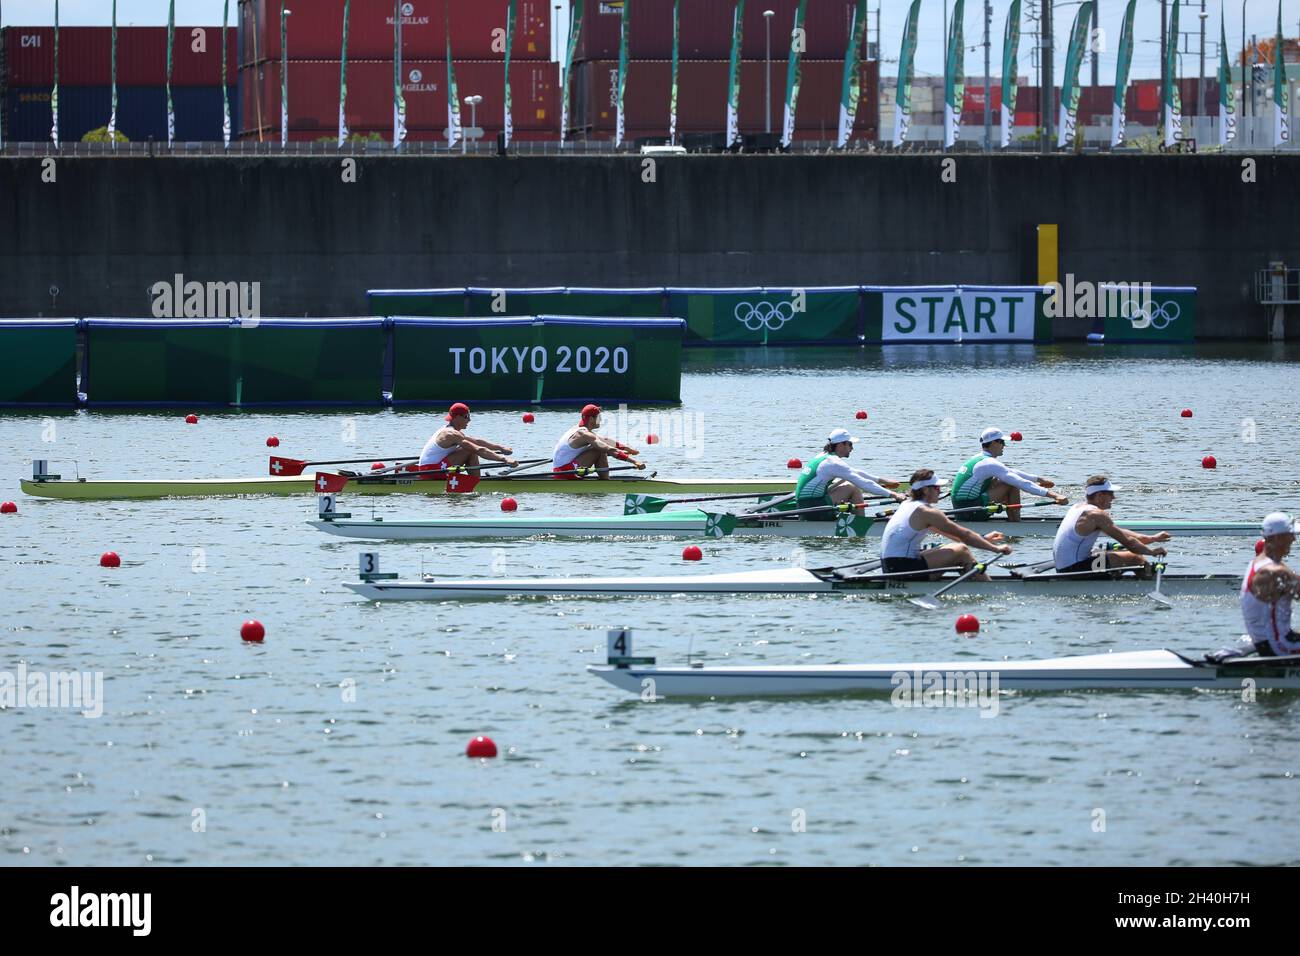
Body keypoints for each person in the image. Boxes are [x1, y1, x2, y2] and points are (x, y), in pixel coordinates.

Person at [879, 469, 1012, 580]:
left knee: (947, 547)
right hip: (902, 569)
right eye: (936, 487)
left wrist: (983, 539)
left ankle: (973, 580)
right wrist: (996, 549)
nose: (940, 491)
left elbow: (948, 533)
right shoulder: (926, 512)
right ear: (925, 490)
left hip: (890, 566)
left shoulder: (907, 504)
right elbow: (964, 535)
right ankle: (988, 589)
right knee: (962, 550)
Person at [1051, 475, 1170, 576]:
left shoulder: (1078, 507)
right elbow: (1129, 543)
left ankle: (1114, 578)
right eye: (1111, 494)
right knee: (1135, 558)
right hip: (1073, 571)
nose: (1114, 497)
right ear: (1099, 496)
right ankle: (1148, 583)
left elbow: (1121, 533)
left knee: (1114, 549)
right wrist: (1152, 552)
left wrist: (1151, 539)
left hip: (1066, 566)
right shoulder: (1096, 515)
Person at [950, 427, 1067, 521]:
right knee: (1011, 484)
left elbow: (1011, 472)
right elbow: (1019, 482)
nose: (1004, 446)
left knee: (1002, 479)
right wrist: (1054, 496)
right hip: (970, 511)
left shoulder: (979, 458)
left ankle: (1013, 520)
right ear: (994, 443)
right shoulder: (989, 463)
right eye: (1002, 442)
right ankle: (1016, 525)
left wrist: (1039, 479)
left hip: (962, 509)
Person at [794, 428, 906, 518]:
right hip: (813, 508)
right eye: (850, 444)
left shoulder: (823, 456)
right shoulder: (833, 462)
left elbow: (854, 472)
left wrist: (883, 481)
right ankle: (861, 523)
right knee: (853, 487)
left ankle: (853, 516)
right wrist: (895, 495)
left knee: (847, 482)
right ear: (840, 445)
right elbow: (864, 483)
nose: (852, 448)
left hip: (805, 505)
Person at [1236, 512, 1300, 656]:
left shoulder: (1258, 562)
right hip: (1278, 646)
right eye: (1291, 535)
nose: (1294, 539)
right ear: (1278, 537)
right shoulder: (1274, 572)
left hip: (1270, 640)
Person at [551, 404, 646, 478]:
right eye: (599, 417)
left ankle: (605, 480)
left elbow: (605, 440)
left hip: (562, 470)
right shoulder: (584, 434)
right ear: (592, 419)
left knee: (600, 447)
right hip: (565, 472)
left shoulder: (579, 429)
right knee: (600, 449)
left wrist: (627, 449)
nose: (601, 420)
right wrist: (634, 462)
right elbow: (607, 448)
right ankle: (606, 483)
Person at [417, 403, 517, 472]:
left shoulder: (451, 430)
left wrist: (501, 448)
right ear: (457, 417)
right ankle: (476, 483)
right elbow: (479, 449)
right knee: (470, 450)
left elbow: (477, 441)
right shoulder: (450, 434)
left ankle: (474, 481)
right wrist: (505, 459)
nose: (469, 420)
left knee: (470, 447)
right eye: (466, 416)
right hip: (430, 471)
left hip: (430, 468)